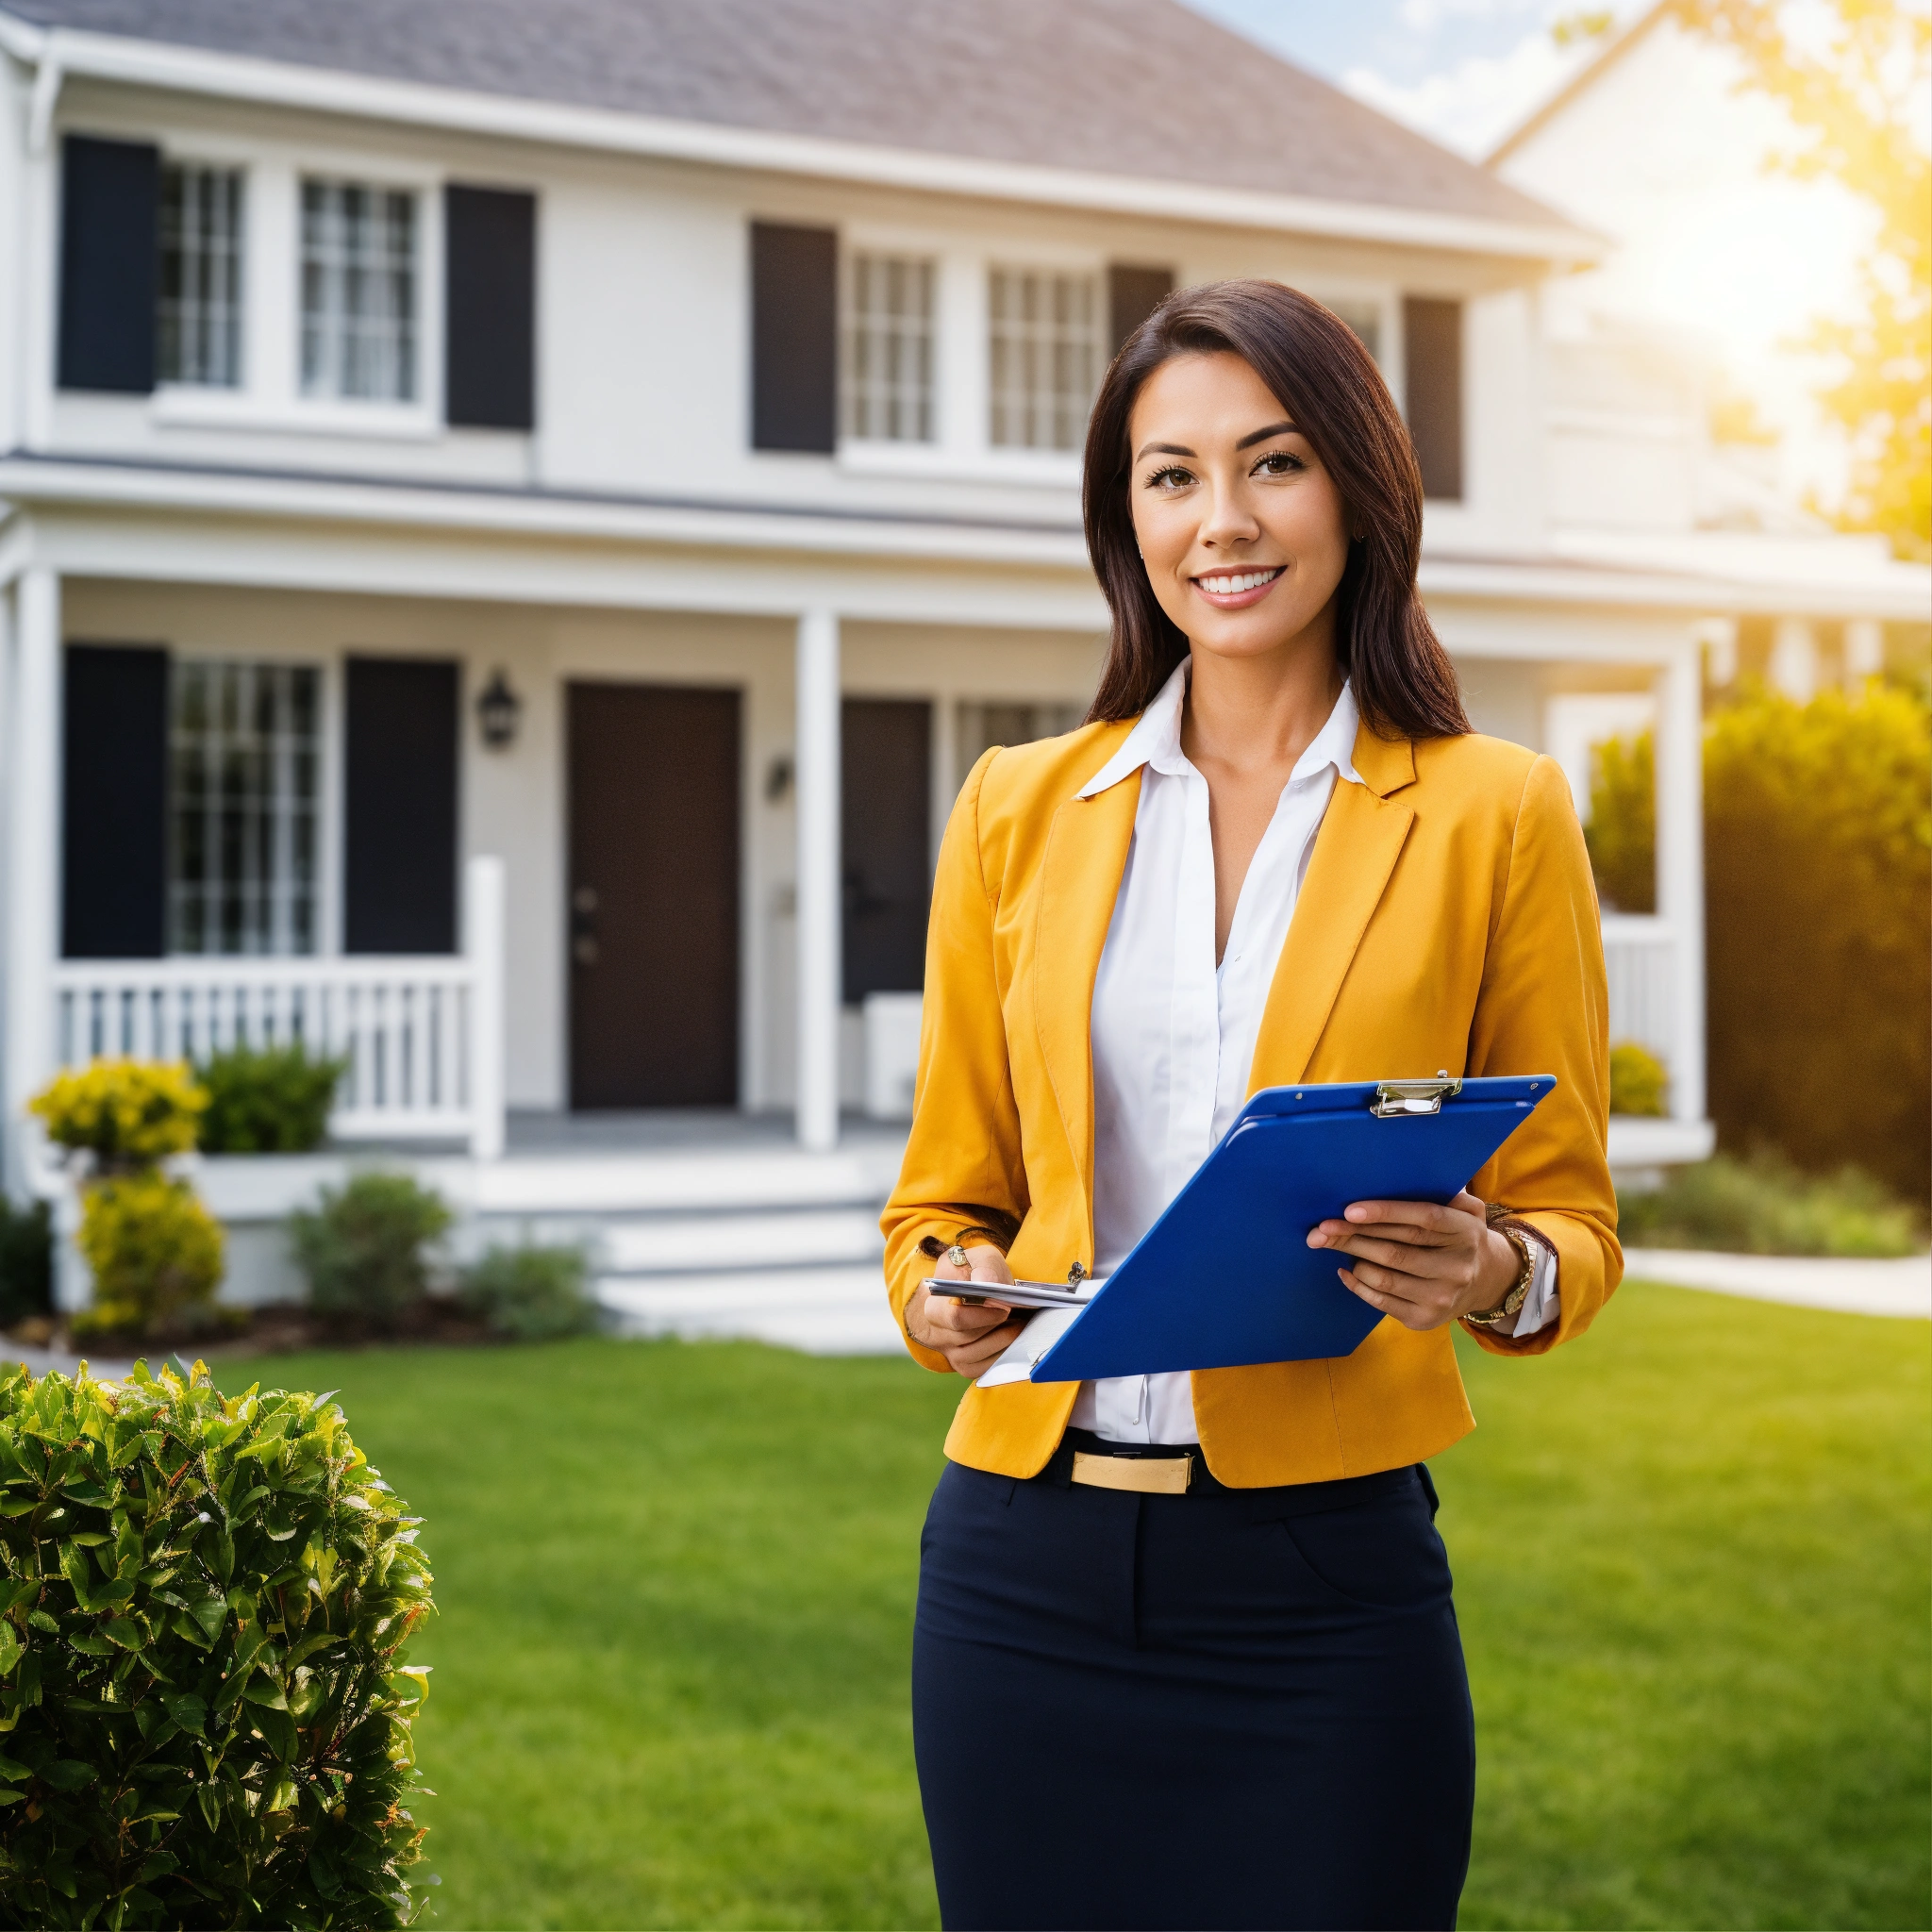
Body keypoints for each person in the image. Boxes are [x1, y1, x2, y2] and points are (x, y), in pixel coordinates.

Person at [879, 279, 1621, 1932]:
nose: (1221, 521)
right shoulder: (1015, 809)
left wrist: (1494, 1268)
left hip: (1323, 1588)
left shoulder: (1496, 813)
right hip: (1020, 1571)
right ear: (1124, 513)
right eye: (1170, 475)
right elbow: (943, 1195)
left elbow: (1572, 1217)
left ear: (1358, 488)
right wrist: (940, 1288)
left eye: (1272, 464)